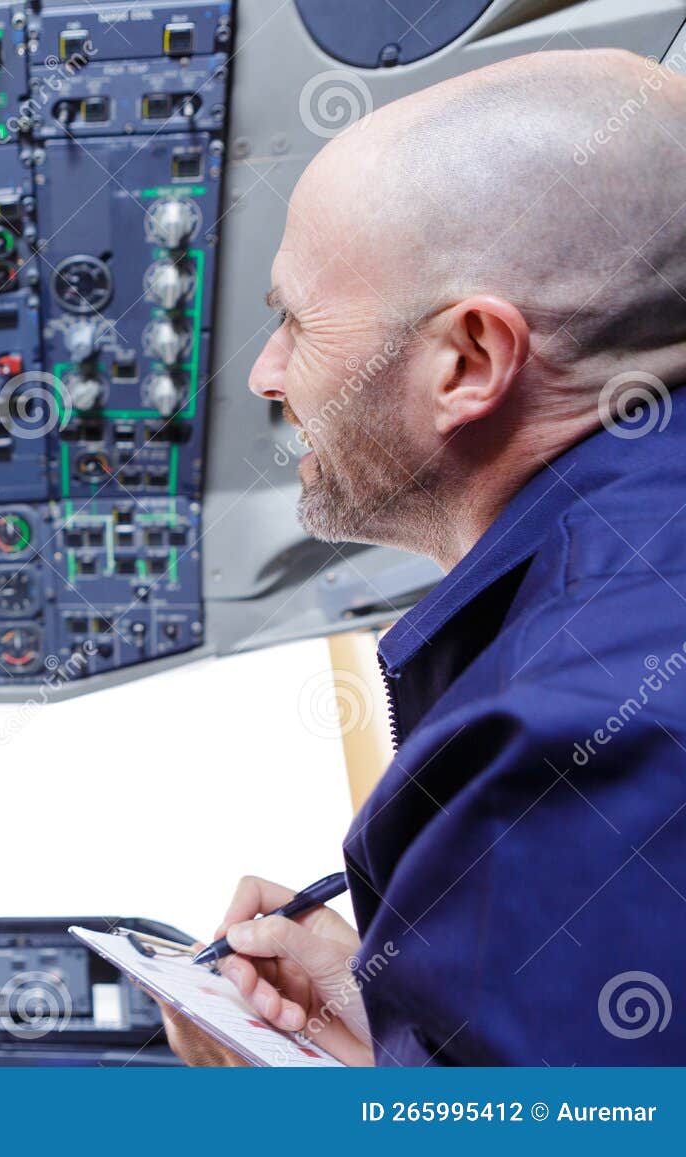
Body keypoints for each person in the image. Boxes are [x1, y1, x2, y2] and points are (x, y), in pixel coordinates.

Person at [162, 48, 686, 1065]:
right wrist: (418, 1026)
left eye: (294, 321)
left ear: (471, 361)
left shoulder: (563, 745)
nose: (266, 374)